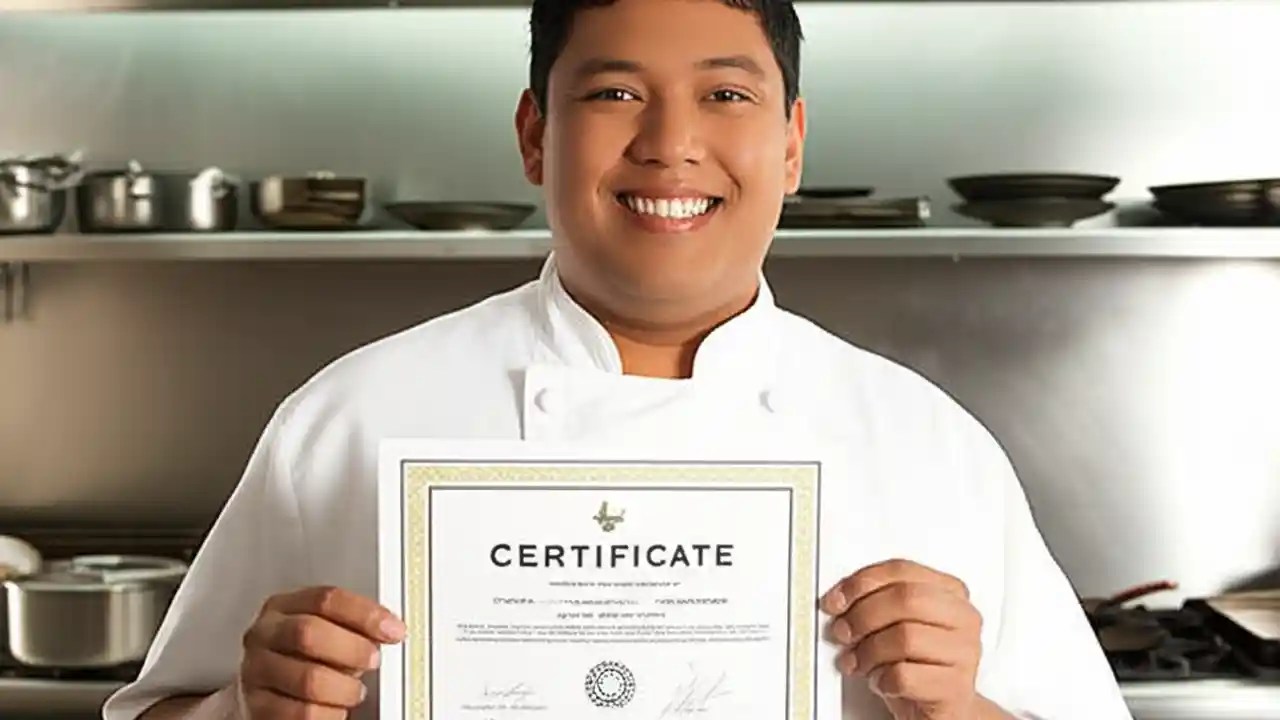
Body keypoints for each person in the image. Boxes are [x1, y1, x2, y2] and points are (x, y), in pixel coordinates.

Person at [104, 1, 1132, 718]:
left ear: (790, 145)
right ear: (532, 136)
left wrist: (956, 708)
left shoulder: (925, 442)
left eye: (726, 96)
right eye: (613, 95)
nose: (670, 144)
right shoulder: (350, 416)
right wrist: (245, 707)